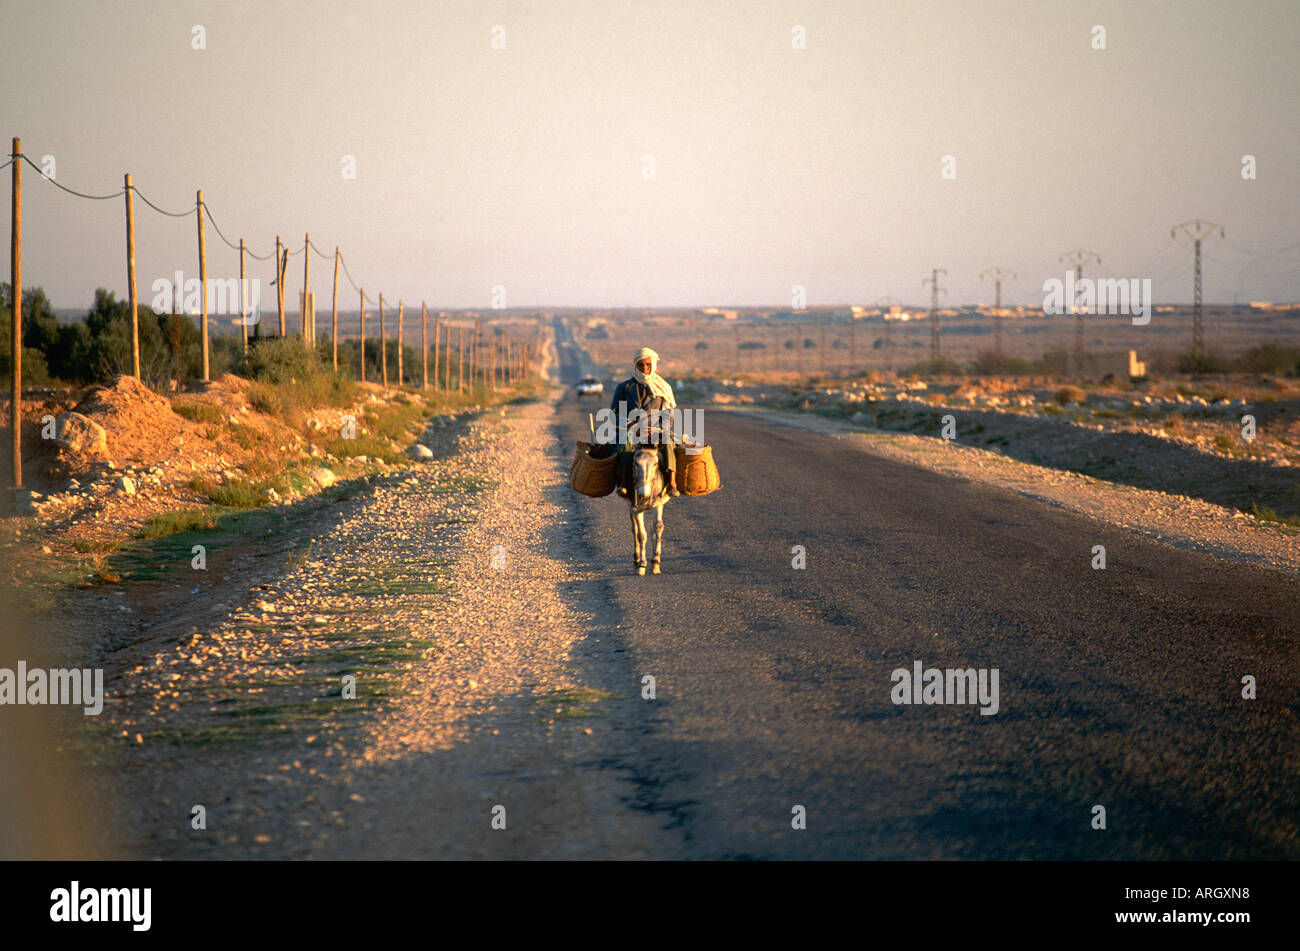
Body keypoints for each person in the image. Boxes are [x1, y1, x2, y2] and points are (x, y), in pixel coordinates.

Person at [609, 347, 680, 497]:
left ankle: (672, 482)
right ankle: (623, 482)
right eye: (641, 365)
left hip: (655, 432)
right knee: (624, 445)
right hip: (631, 431)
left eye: (648, 365)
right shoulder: (624, 387)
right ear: (635, 366)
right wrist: (629, 425)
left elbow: (668, 414)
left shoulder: (663, 388)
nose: (645, 368)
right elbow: (614, 413)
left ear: (653, 365)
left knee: (669, 445)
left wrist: (659, 429)